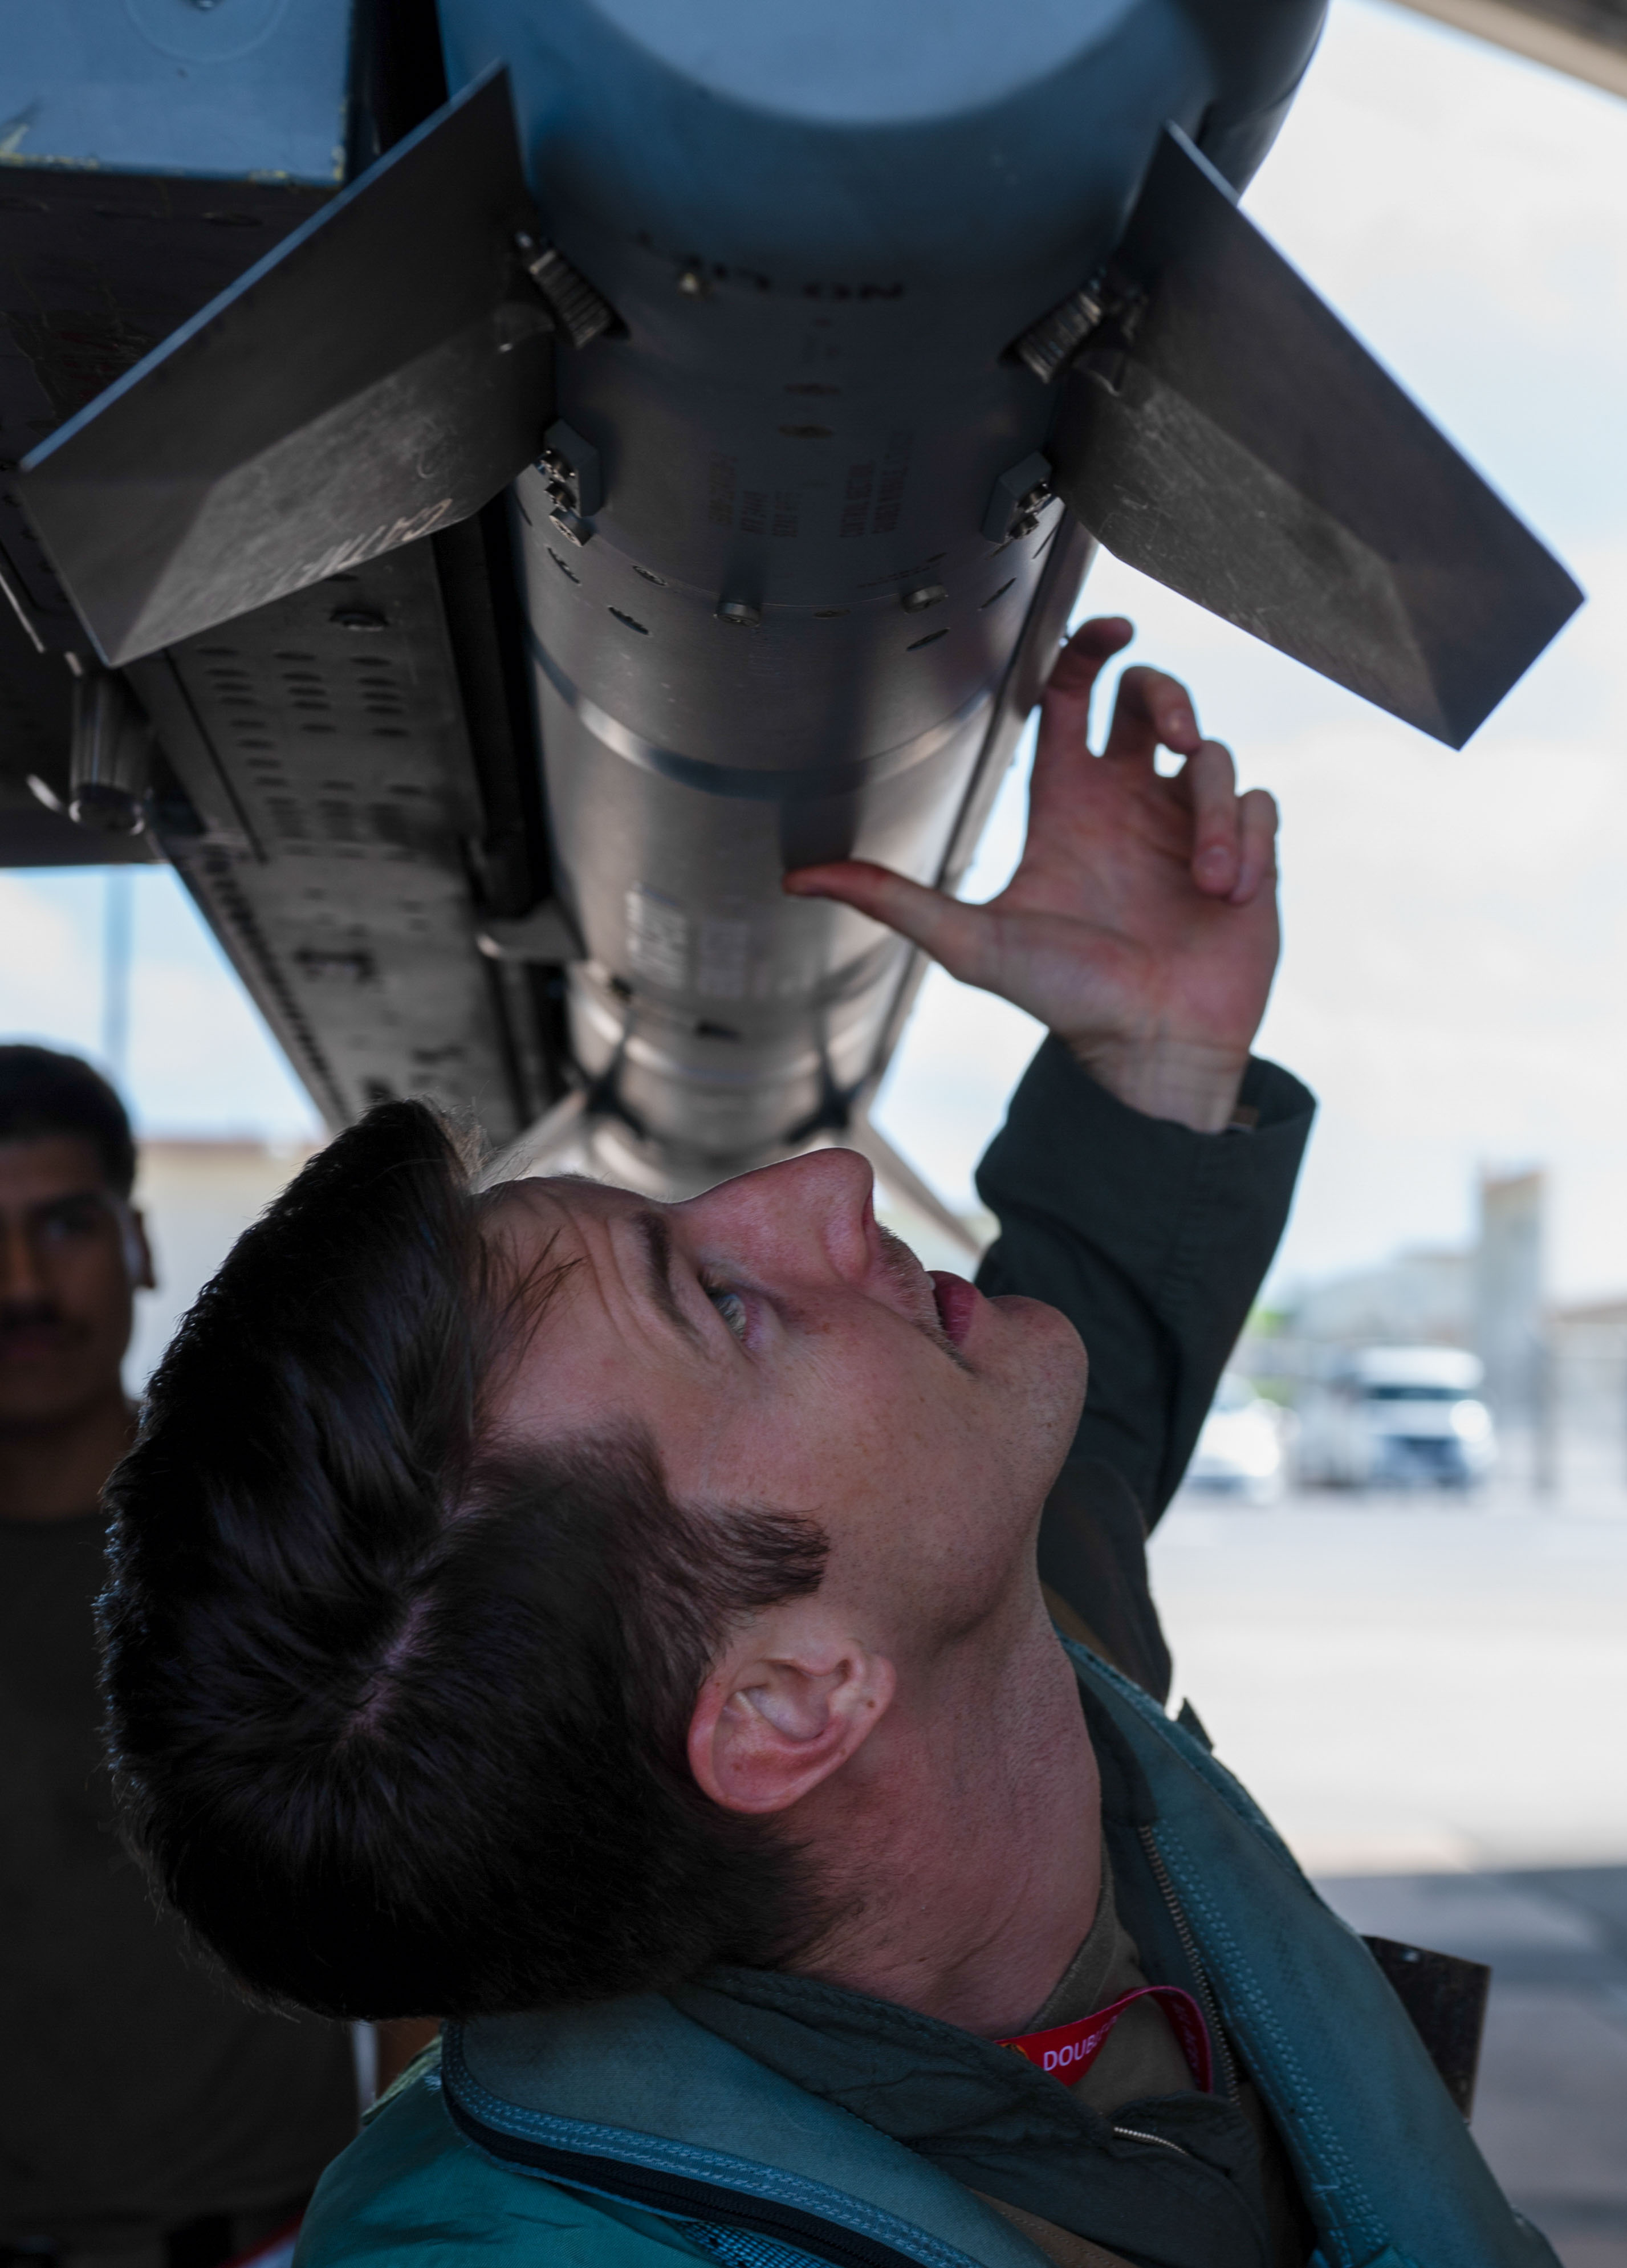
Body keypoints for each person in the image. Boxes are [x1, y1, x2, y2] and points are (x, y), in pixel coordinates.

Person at [97, 620, 1552, 2268]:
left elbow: (1047, 1446)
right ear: (789, 1705)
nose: (827, 1184)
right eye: (722, 1304)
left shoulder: (949, 1660)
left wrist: (1149, 1060)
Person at [0, 1047, 433, 2268]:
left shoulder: (275, 1539)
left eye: (65, 1224)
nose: (21, 1282)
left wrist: (394, 2222)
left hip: (274, 2241)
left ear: (136, 1245)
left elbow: (402, 1908)